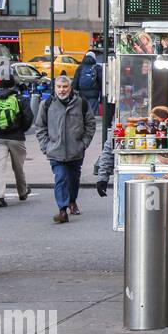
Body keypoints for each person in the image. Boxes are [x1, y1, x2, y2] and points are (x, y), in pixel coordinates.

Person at [35, 74, 96, 223]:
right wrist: (46, 147)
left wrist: (83, 144)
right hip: (55, 151)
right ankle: (62, 210)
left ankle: (72, 201)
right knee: (61, 178)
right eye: (59, 87)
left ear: (70, 88)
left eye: (65, 87)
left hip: (76, 150)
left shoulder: (81, 103)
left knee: (74, 179)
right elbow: (40, 127)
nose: (62, 90)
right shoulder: (47, 104)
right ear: (55, 87)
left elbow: (90, 124)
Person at [0, 70, 33, 207]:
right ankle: (22, 192)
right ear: (13, 85)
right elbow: (28, 118)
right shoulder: (20, 99)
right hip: (16, 137)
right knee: (18, 166)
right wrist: (20, 129)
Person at [73, 51, 103, 116]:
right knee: (91, 113)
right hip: (94, 94)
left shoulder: (80, 67)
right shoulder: (97, 68)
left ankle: (83, 124)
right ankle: (90, 123)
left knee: (82, 111)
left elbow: (75, 81)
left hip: (82, 93)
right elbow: (101, 82)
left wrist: (74, 92)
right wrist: (102, 97)